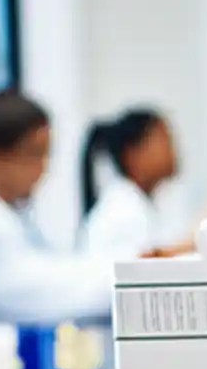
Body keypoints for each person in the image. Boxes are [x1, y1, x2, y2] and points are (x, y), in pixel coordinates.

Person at [0, 90, 113, 328]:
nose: (43, 169)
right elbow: (58, 293)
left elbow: (58, 272)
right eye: (35, 154)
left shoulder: (3, 216)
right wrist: (137, 275)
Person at [80, 108, 187, 259]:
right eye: (164, 139)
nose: (173, 149)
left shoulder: (137, 204)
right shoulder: (123, 210)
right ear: (131, 154)